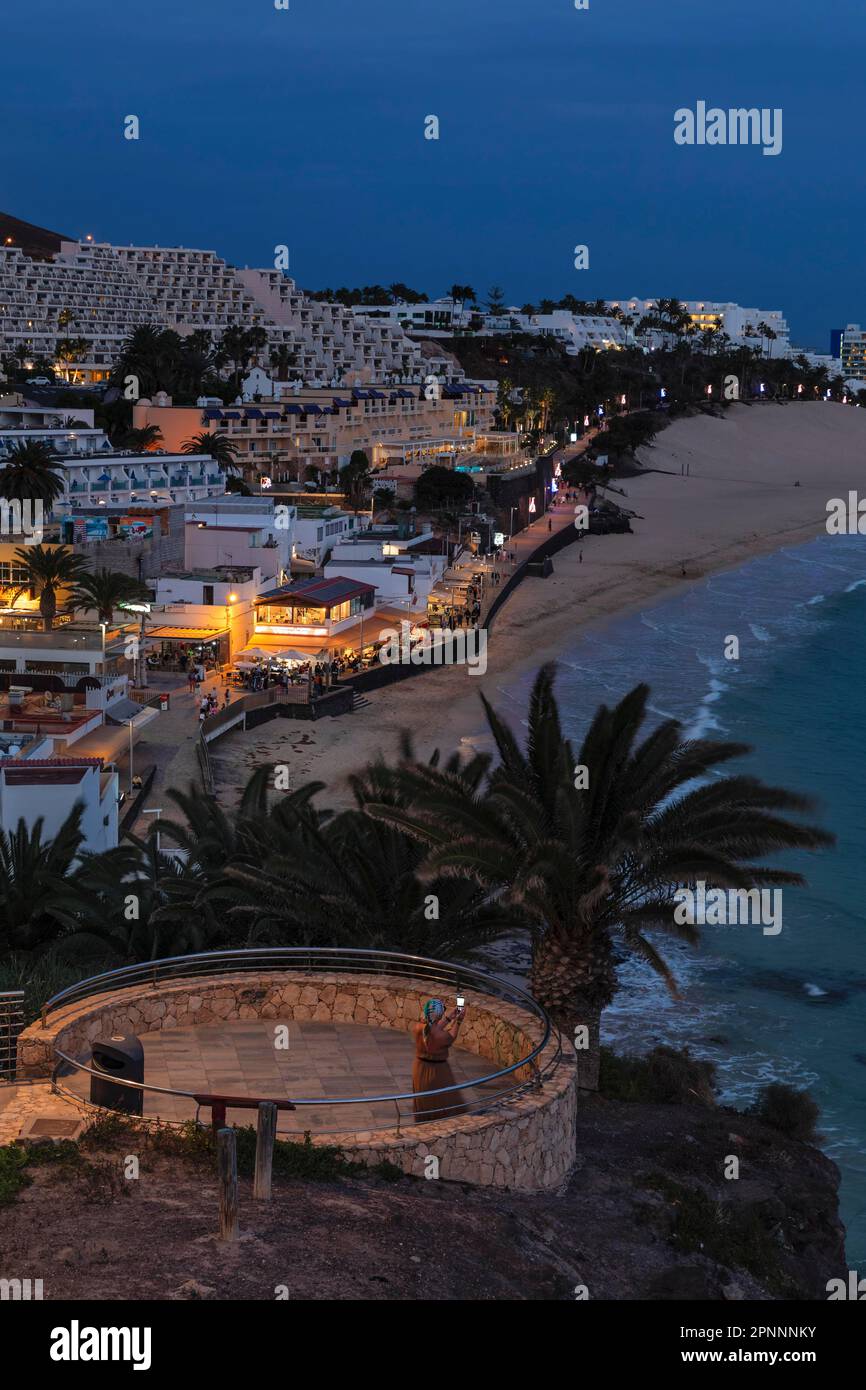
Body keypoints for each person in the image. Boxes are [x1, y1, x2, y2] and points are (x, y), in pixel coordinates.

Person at [412, 999, 466, 1122]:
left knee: (424, 1101)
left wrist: (448, 1019)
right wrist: (458, 1020)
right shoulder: (440, 1036)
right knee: (441, 1100)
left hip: (420, 1070)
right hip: (437, 1072)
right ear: (439, 1014)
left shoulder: (419, 1028)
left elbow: (432, 1028)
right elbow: (451, 1037)